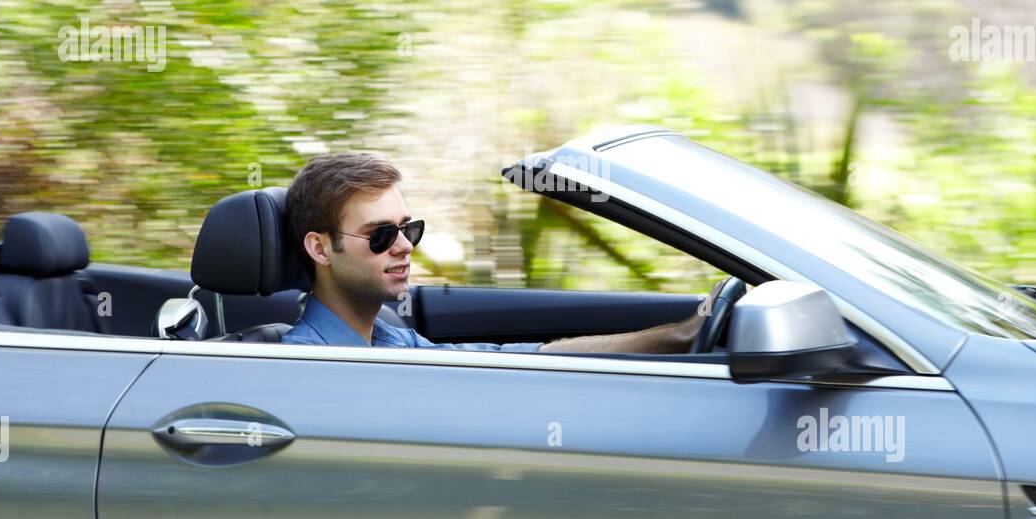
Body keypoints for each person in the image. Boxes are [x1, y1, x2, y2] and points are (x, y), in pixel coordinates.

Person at [280, 152, 718, 352]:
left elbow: (520, 361)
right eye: (379, 235)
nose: (404, 246)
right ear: (320, 248)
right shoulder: (303, 363)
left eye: (409, 228)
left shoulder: (392, 339)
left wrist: (680, 335)